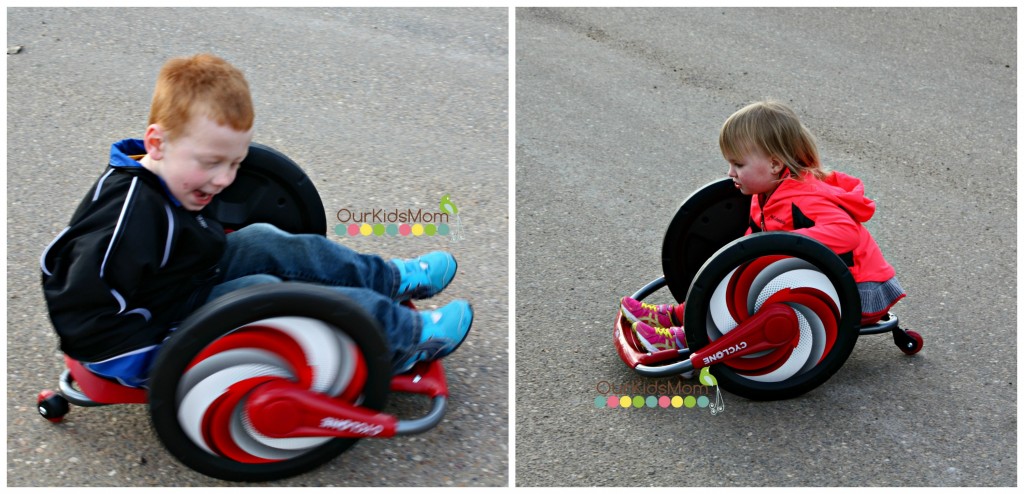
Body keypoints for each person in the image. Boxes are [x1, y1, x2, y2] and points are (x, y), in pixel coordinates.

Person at [40, 54, 472, 387]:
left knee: (264, 239)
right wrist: (161, 355)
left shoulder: (175, 177)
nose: (225, 178)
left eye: (235, 163)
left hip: (179, 281)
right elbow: (83, 315)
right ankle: (403, 339)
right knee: (265, 294)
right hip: (142, 338)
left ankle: (388, 279)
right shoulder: (127, 217)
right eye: (212, 163)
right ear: (157, 143)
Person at [624, 100, 904, 352]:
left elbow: (847, 233)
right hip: (828, 283)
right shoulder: (763, 194)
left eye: (738, 164)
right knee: (739, 277)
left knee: (755, 290)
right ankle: (680, 316)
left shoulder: (805, 196)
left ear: (773, 164)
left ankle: (688, 340)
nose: (730, 172)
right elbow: (753, 244)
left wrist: (784, 244)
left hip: (859, 291)